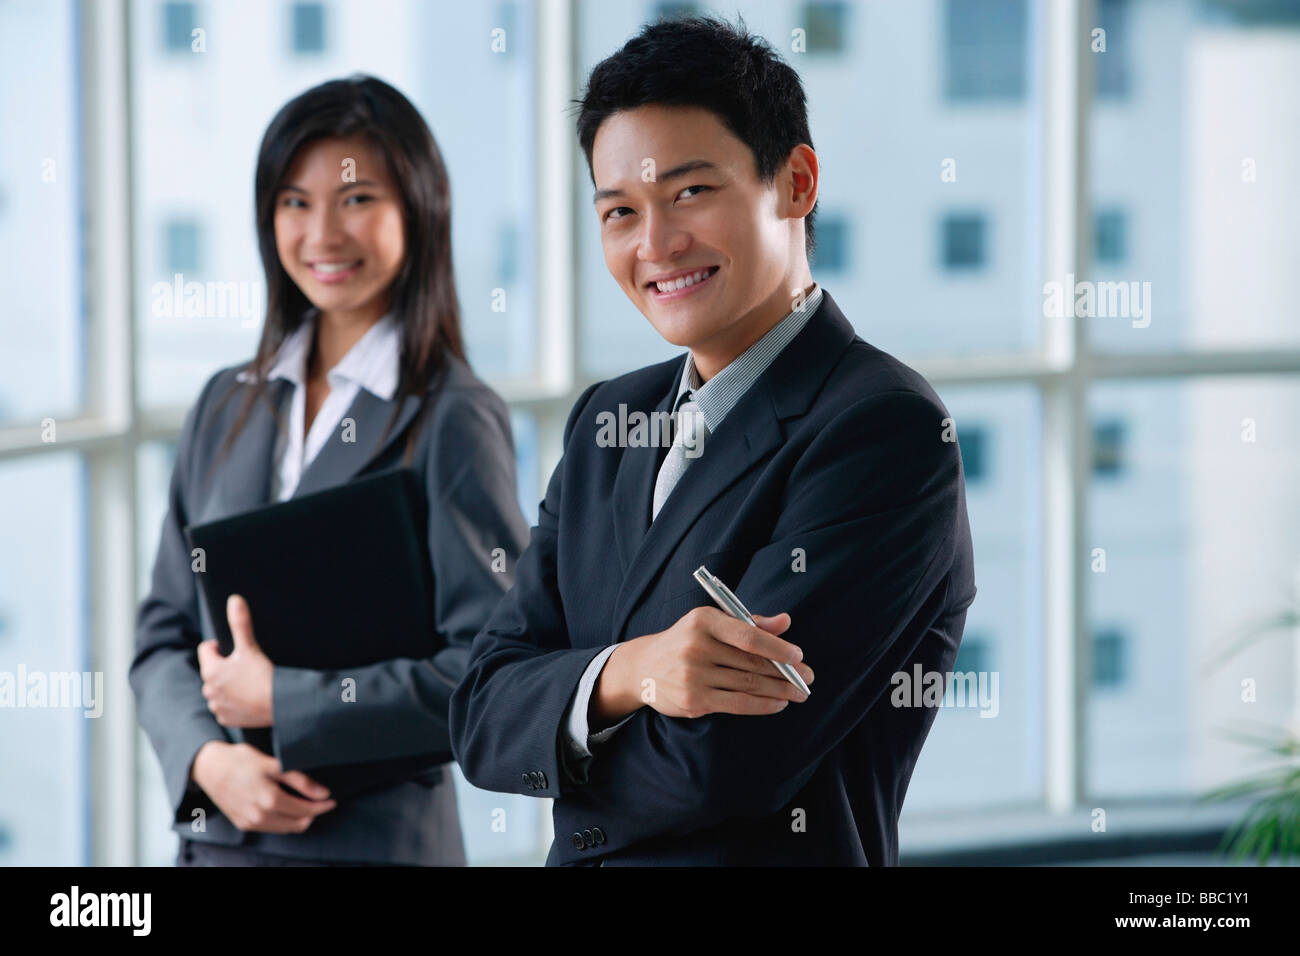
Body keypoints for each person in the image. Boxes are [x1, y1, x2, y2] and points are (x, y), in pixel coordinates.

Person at [449, 16, 976, 866]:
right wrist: (635, 672)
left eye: (691, 192)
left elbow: (719, 767)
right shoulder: (605, 425)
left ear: (796, 181)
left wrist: (559, 720)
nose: (654, 245)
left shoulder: (883, 430)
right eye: (620, 211)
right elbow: (477, 712)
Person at [131, 75, 529, 866]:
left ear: (419, 208)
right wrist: (209, 762)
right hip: (218, 839)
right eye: (294, 202)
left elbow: (490, 674)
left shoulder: (452, 417)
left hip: (371, 849)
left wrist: (285, 702)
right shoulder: (227, 401)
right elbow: (163, 634)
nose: (322, 233)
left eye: (356, 200)